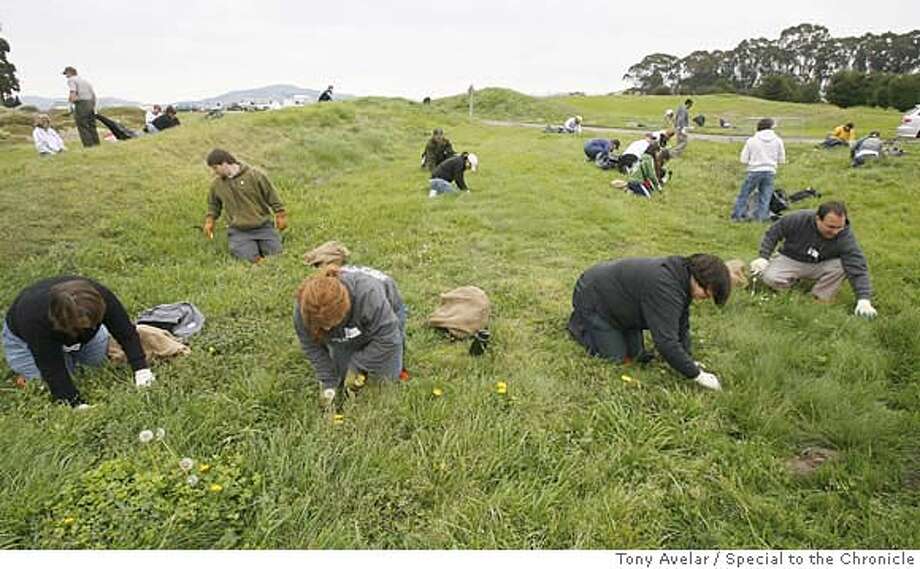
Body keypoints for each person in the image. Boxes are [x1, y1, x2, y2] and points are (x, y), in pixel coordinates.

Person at [567, 254, 731, 391]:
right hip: (593, 296)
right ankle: (579, 323)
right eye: (706, 294)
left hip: (621, 307)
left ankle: (616, 327)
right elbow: (666, 342)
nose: (705, 299)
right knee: (615, 358)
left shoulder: (682, 279)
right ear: (698, 278)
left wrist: (688, 359)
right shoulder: (665, 287)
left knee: (637, 356)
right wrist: (697, 375)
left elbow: (681, 324)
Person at [2, 276, 156, 408]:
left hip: (80, 340)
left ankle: (78, 349)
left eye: (95, 322)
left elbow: (126, 332)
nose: (91, 326)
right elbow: (51, 366)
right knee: (60, 376)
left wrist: (141, 370)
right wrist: (76, 404)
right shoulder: (34, 318)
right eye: (84, 324)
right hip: (25, 343)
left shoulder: (100, 296)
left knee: (96, 363)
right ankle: (27, 375)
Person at [294, 265, 406, 408]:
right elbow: (311, 346)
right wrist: (328, 380)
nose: (326, 329)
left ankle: (399, 368)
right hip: (355, 319)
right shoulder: (305, 308)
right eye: (321, 326)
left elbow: (389, 339)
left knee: (384, 382)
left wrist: (357, 364)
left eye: (329, 325)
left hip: (387, 307)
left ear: (345, 310)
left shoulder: (368, 296)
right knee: (342, 376)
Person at [749, 201, 877, 318]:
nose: (836, 232)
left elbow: (858, 267)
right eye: (831, 227)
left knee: (843, 265)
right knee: (769, 277)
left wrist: (864, 300)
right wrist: (763, 257)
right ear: (818, 219)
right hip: (791, 258)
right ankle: (790, 289)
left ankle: (820, 297)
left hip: (820, 264)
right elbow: (773, 233)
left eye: (840, 227)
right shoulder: (797, 219)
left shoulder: (845, 237)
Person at [203, 148, 288, 263]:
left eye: (215, 168)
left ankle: (267, 244)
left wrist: (280, 214)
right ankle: (254, 256)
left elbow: (271, 196)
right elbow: (214, 205)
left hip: (263, 226)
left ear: (224, 163)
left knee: (276, 254)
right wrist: (210, 221)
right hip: (239, 231)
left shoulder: (255, 176)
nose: (214, 172)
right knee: (247, 257)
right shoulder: (217, 185)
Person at [730, 118, 786, 222]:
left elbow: (743, 159)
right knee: (765, 196)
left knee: (744, 194)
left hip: (754, 170)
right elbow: (782, 159)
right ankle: (761, 218)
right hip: (770, 170)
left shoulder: (752, 140)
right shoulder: (778, 140)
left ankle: (737, 216)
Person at [62, 66, 99, 147]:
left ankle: (88, 145)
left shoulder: (71, 80)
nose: (66, 76)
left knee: (82, 125)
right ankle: (96, 144)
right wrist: (94, 107)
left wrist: (70, 106)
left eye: (66, 74)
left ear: (70, 73)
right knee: (91, 125)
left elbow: (73, 92)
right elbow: (93, 95)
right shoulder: (85, 81)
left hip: (81, 104)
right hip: (90, 103)